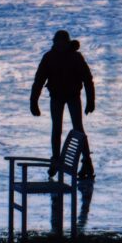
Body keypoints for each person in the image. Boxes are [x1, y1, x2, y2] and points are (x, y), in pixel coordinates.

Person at [30, 30, 96, 162]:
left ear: (67, 43)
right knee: (57, 128)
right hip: (57, 97)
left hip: (73, 96)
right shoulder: (49, 57)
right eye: (58, 43)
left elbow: (88, 80)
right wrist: (34, 102)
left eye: (62, 43)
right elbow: (39, 81)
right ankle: (56, 159)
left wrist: (90, 101)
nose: (60, 46)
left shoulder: (75, 57)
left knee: (77, 128)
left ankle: (87, 161)